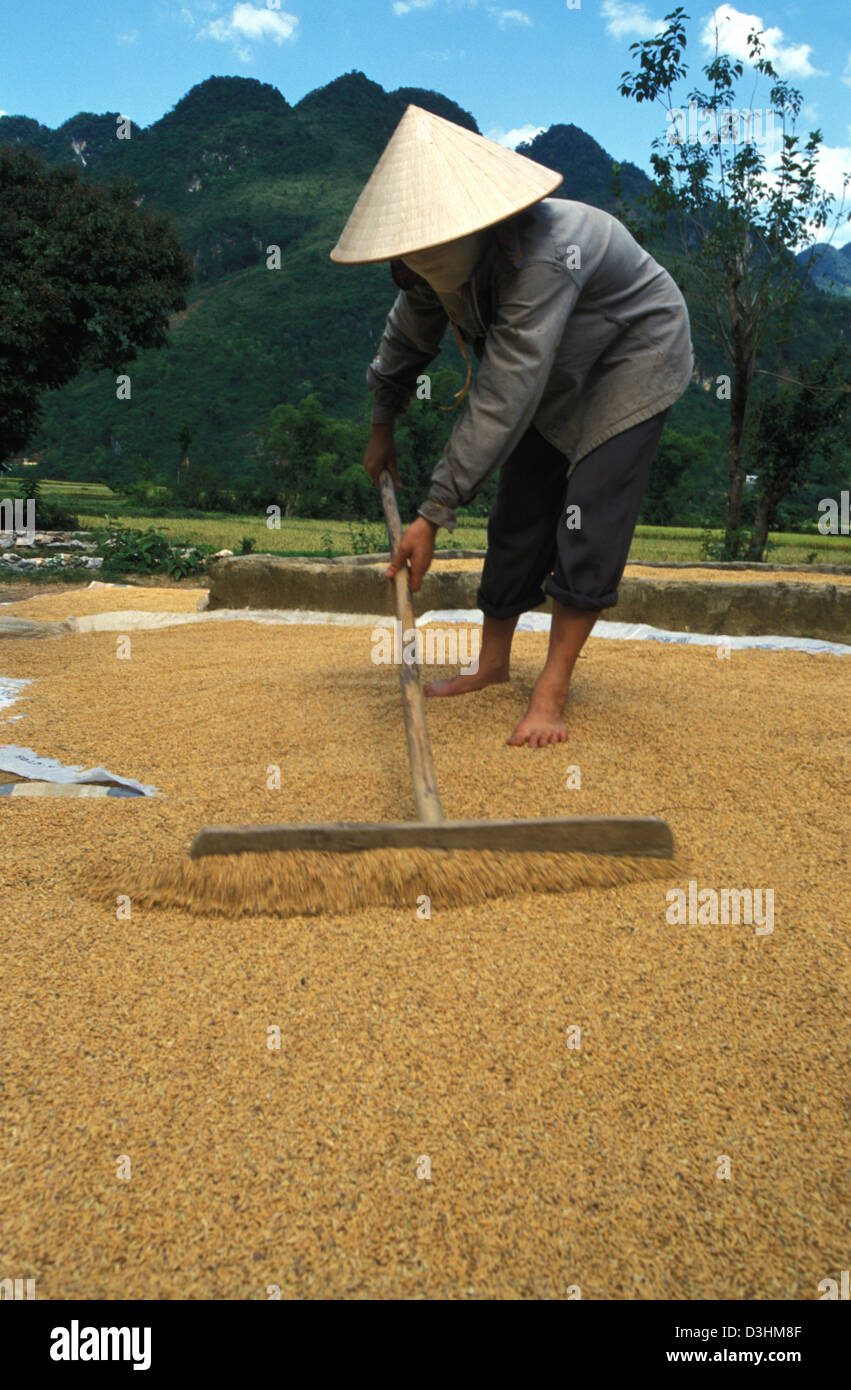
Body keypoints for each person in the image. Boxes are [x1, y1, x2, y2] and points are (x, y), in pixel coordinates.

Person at [330, 106, 693, 747]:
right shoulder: (426, 271)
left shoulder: (545, 254)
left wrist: (433, 509)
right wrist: (382, 423)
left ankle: (551, 689)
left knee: (589, 511)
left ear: (471, 224)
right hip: (554, 374)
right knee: (521, 509)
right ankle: (492, 664)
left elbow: (502, 392)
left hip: (634, 357)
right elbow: (403, 344)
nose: (414, 267)